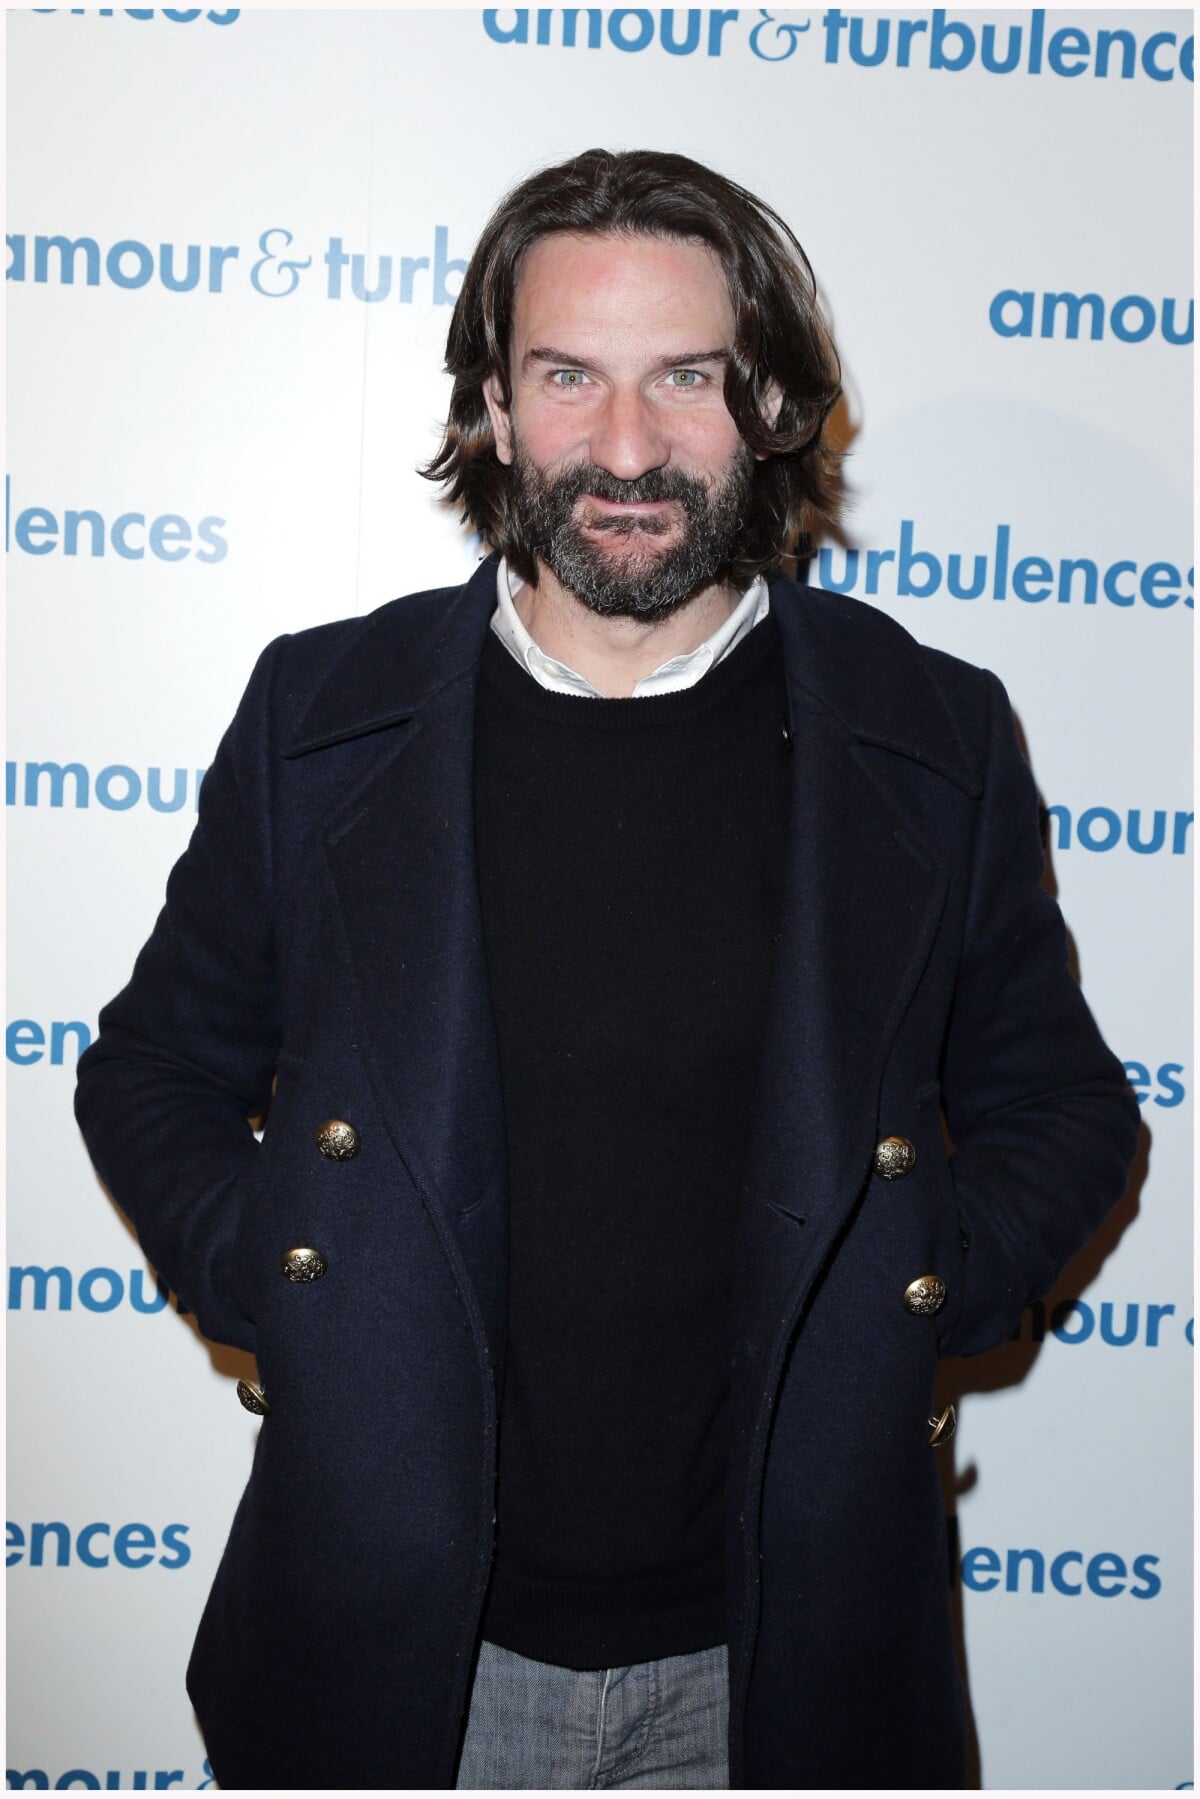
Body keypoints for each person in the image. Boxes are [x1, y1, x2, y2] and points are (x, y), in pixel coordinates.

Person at [75, 147, 1139, 1791]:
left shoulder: (933, 736)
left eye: (687, 380)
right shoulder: (321, 720)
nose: (626, 449)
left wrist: (916, 1274)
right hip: (405, 1648)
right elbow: (151, 1069)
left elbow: (1061, 1104)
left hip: (786, 1656)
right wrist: (286, 1279)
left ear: (771, 400)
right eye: (569, 377)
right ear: (494, 404)